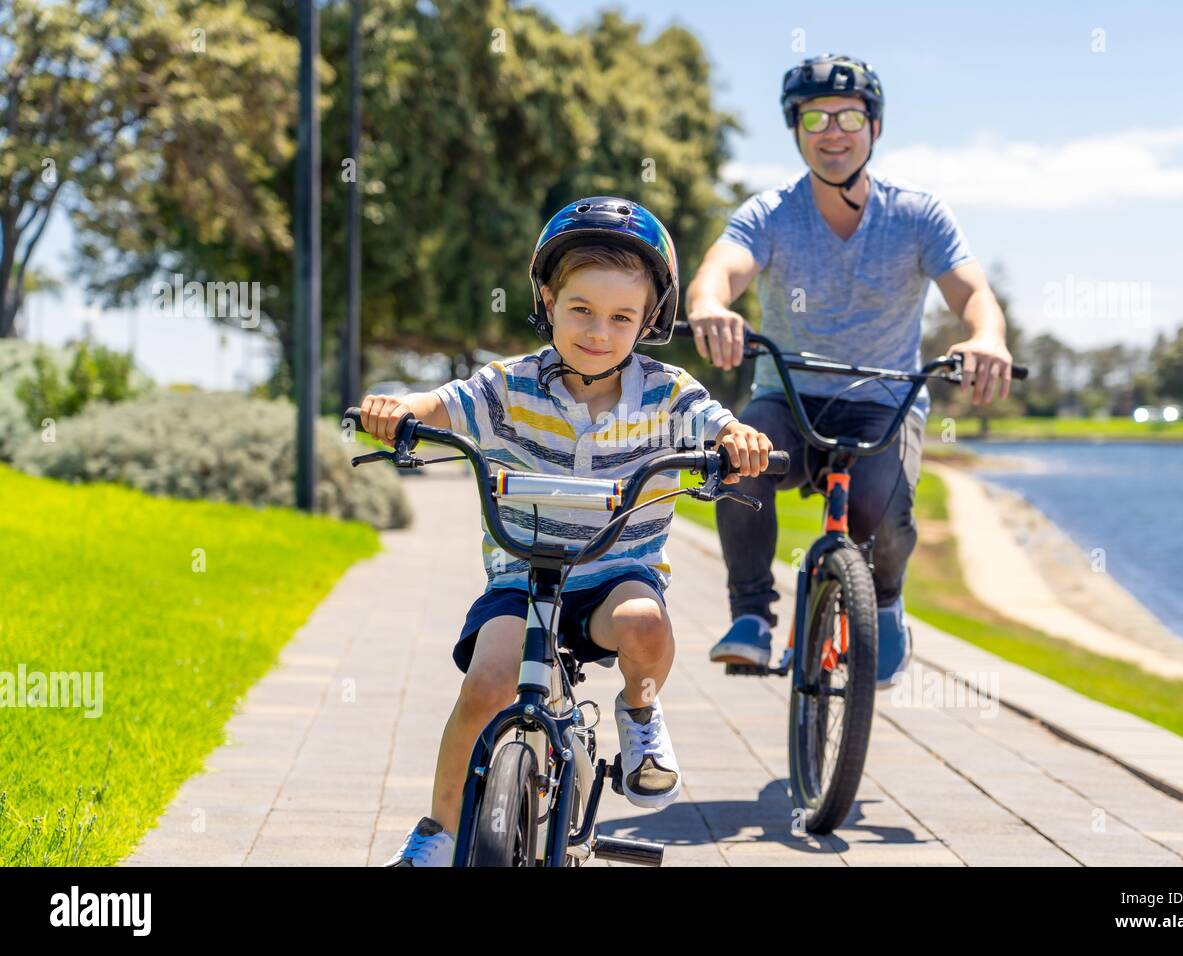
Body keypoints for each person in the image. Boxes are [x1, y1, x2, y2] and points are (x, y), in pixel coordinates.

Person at [371, 197, 774, 866]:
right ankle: (437, 833)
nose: (598, 331)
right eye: (581, 309)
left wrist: (738, 438)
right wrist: (399, 411)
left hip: (616, 579)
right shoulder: (509, 387)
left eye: (622, 317)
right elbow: (443, 403)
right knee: (485, 687)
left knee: (645, 623)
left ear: (650, 320)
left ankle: (640, 713)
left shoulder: (669, 394)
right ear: (548, 298)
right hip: (524, 579)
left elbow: (716, 423)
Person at [685, 55, 1015, 684]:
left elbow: (973, 294)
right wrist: (707, 306)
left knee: (880, 513)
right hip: (789, 399)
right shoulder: (771, 213)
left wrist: (988, 338)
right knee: (735, 457)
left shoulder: (918, 217)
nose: (832, 130)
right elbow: (721, 269)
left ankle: (884, 604)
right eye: (814, 117)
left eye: (848, 116)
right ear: (795, 129)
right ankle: (751, 615)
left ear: (875, 127)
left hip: (884, 401)